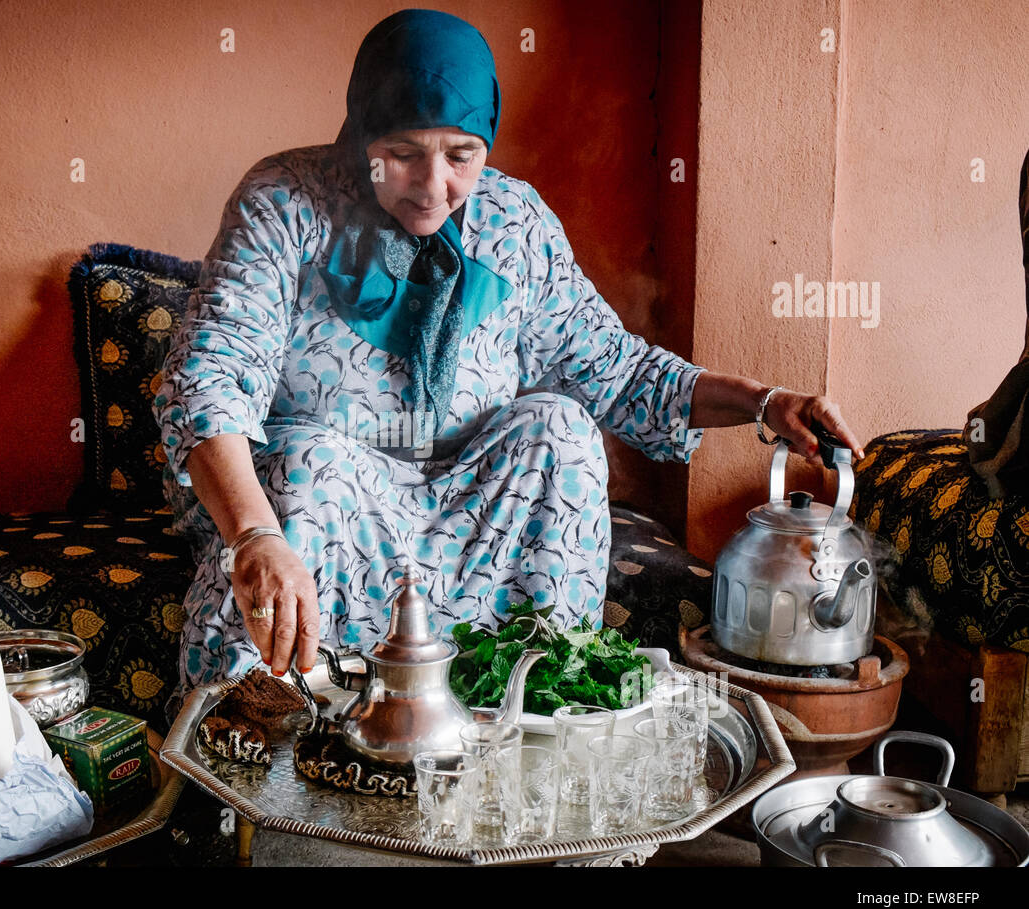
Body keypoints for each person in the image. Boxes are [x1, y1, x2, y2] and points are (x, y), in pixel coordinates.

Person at [153, 9, 863, 707]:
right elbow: (209, 377)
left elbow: (614, 368)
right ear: (362, 133)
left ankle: (525, 715)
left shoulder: (512, 222)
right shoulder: (286, 203)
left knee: (557, 426)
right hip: (327, 508)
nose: (434, 186)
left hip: (475, 511)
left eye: (461, 155)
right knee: (313, 461)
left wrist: (766, 403)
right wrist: (254, 537)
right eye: (402, 152)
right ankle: (292, 734)